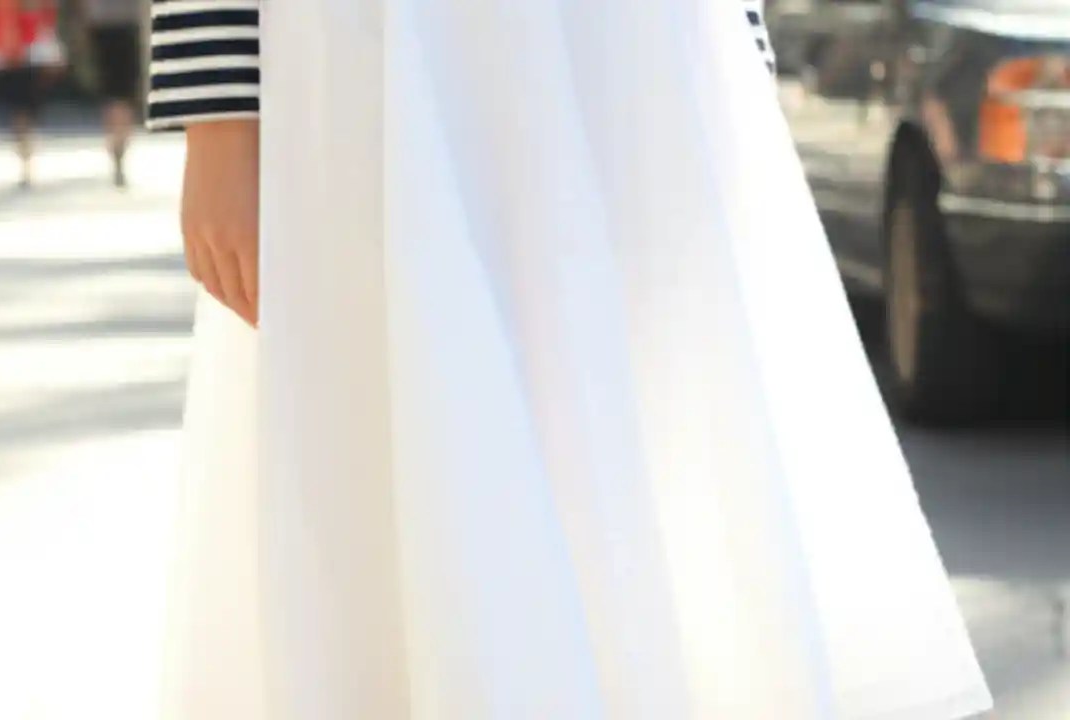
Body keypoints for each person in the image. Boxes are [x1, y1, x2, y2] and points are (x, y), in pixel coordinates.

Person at [150, 1, 993, 719]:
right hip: (380, 53)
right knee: (396, 460)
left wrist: (741, 65)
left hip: (632, 52)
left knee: (648, 471)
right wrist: (219, 116)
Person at [0, 0, 62, 188]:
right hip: (25, 52)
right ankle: (26, 158)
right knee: (24, 111)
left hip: (21, 52)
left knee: (21, 111)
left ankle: (26, 158)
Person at [77, 0, 141, 187]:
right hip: (122, 25)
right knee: (122, 96)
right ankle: (119, 147)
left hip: (105, 25)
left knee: (113, 96)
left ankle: (116, 147)